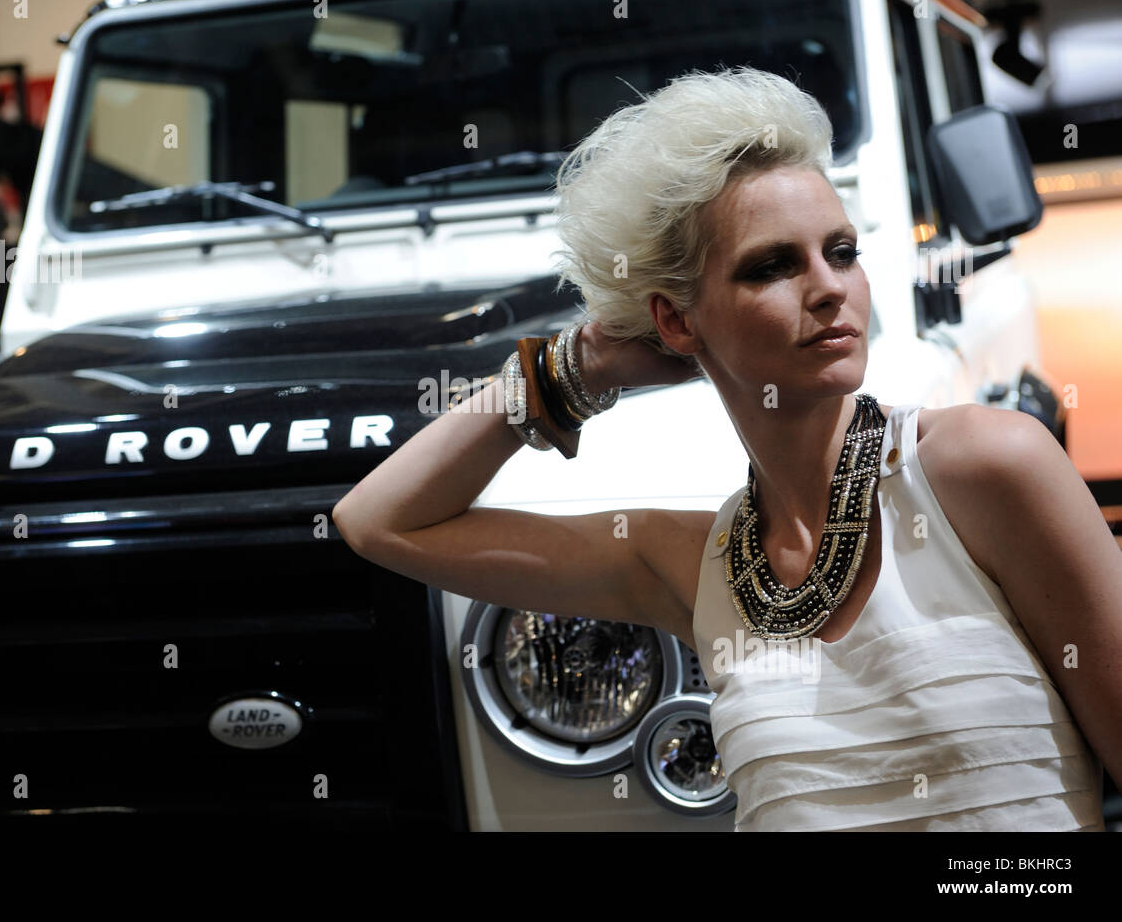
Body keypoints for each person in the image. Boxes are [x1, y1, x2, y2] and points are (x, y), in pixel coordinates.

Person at [332, 66, 1121, 831]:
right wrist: (579, 365)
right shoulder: (687, 563)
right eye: (772, 265)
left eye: (841, 251)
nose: (829, 287)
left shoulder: (982, 465)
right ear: (676, 322)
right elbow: (380, 522)